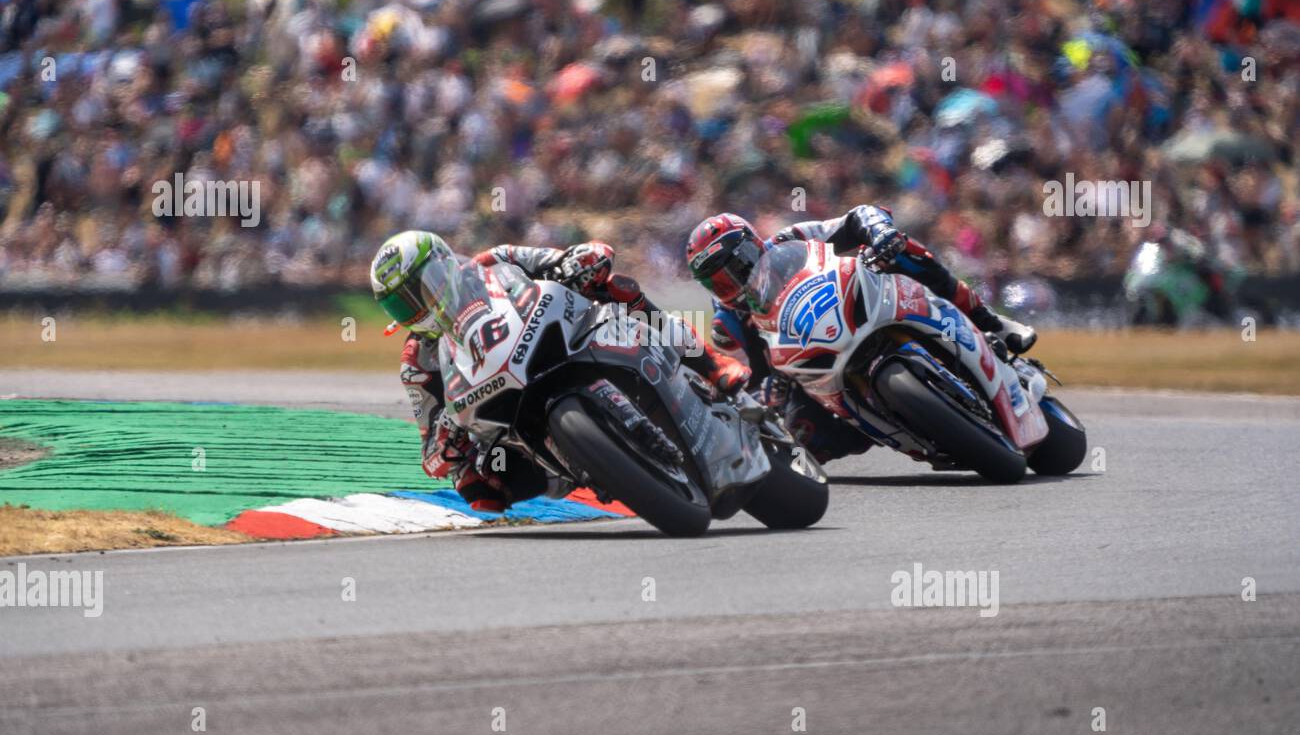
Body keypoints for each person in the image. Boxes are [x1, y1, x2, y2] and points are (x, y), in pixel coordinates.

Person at [371, 230, 750, 513]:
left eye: (420, 291)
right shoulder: (417, 363)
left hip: (556, 333)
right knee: (476, 486)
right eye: (402, 307)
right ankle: (582, 464)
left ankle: (709, 363)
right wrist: (446, 445)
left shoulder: (495, 261)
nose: (418, 309)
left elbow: (566, 258)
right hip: (502, 409)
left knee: (617, 287)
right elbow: (430, 453)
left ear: (444, 264)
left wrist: (581, 262)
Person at [685, 206, 1038, 462]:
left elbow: (858, 217)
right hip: (809, 374)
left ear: (753, 243)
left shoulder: (790, 239)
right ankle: (904, 425)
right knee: (805, 439)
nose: (733, 279)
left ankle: (991, 322)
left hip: (849, 306)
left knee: (902, 249)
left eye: (738, 262)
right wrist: (760, 393)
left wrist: (879, 232)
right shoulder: (726, 323)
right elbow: (741, 378)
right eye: (718, 280)